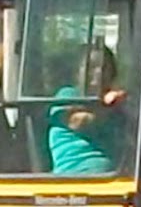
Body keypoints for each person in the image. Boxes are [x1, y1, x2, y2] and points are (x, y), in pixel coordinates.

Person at [48, 41, 126, 175]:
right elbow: (78, 122)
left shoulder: (118, 105)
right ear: (79, 71)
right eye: (91, 66)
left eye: (104, 67)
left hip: (114, 179)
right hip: (72, 180)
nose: (98, 72)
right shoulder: (68, 94)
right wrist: (108, 105)